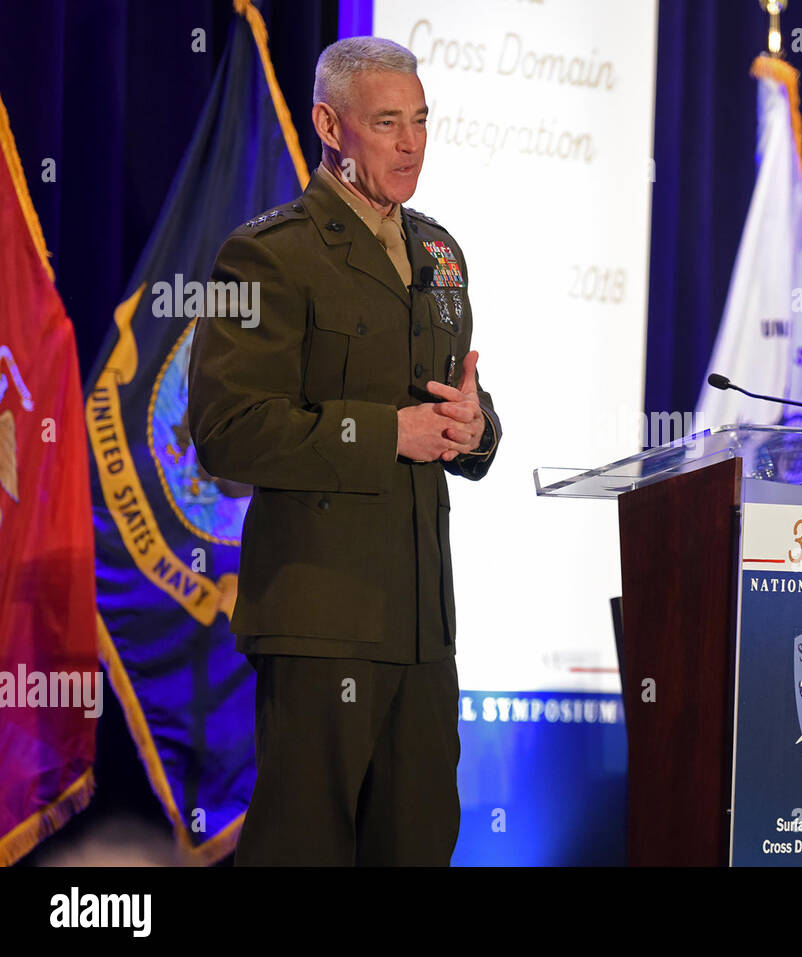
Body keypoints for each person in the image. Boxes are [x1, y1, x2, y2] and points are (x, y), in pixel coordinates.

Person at [187, 35, 501, 865]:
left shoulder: (440, 252)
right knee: (305, 849)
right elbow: (226, 428)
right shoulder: (265, 253)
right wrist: (381, 432)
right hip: (321, 621)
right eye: (388, 122)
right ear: (330, 124)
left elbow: (450, 398)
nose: (411, 144)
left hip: (425, 630)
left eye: (422, 122)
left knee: (420, 844)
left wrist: (478, 430)